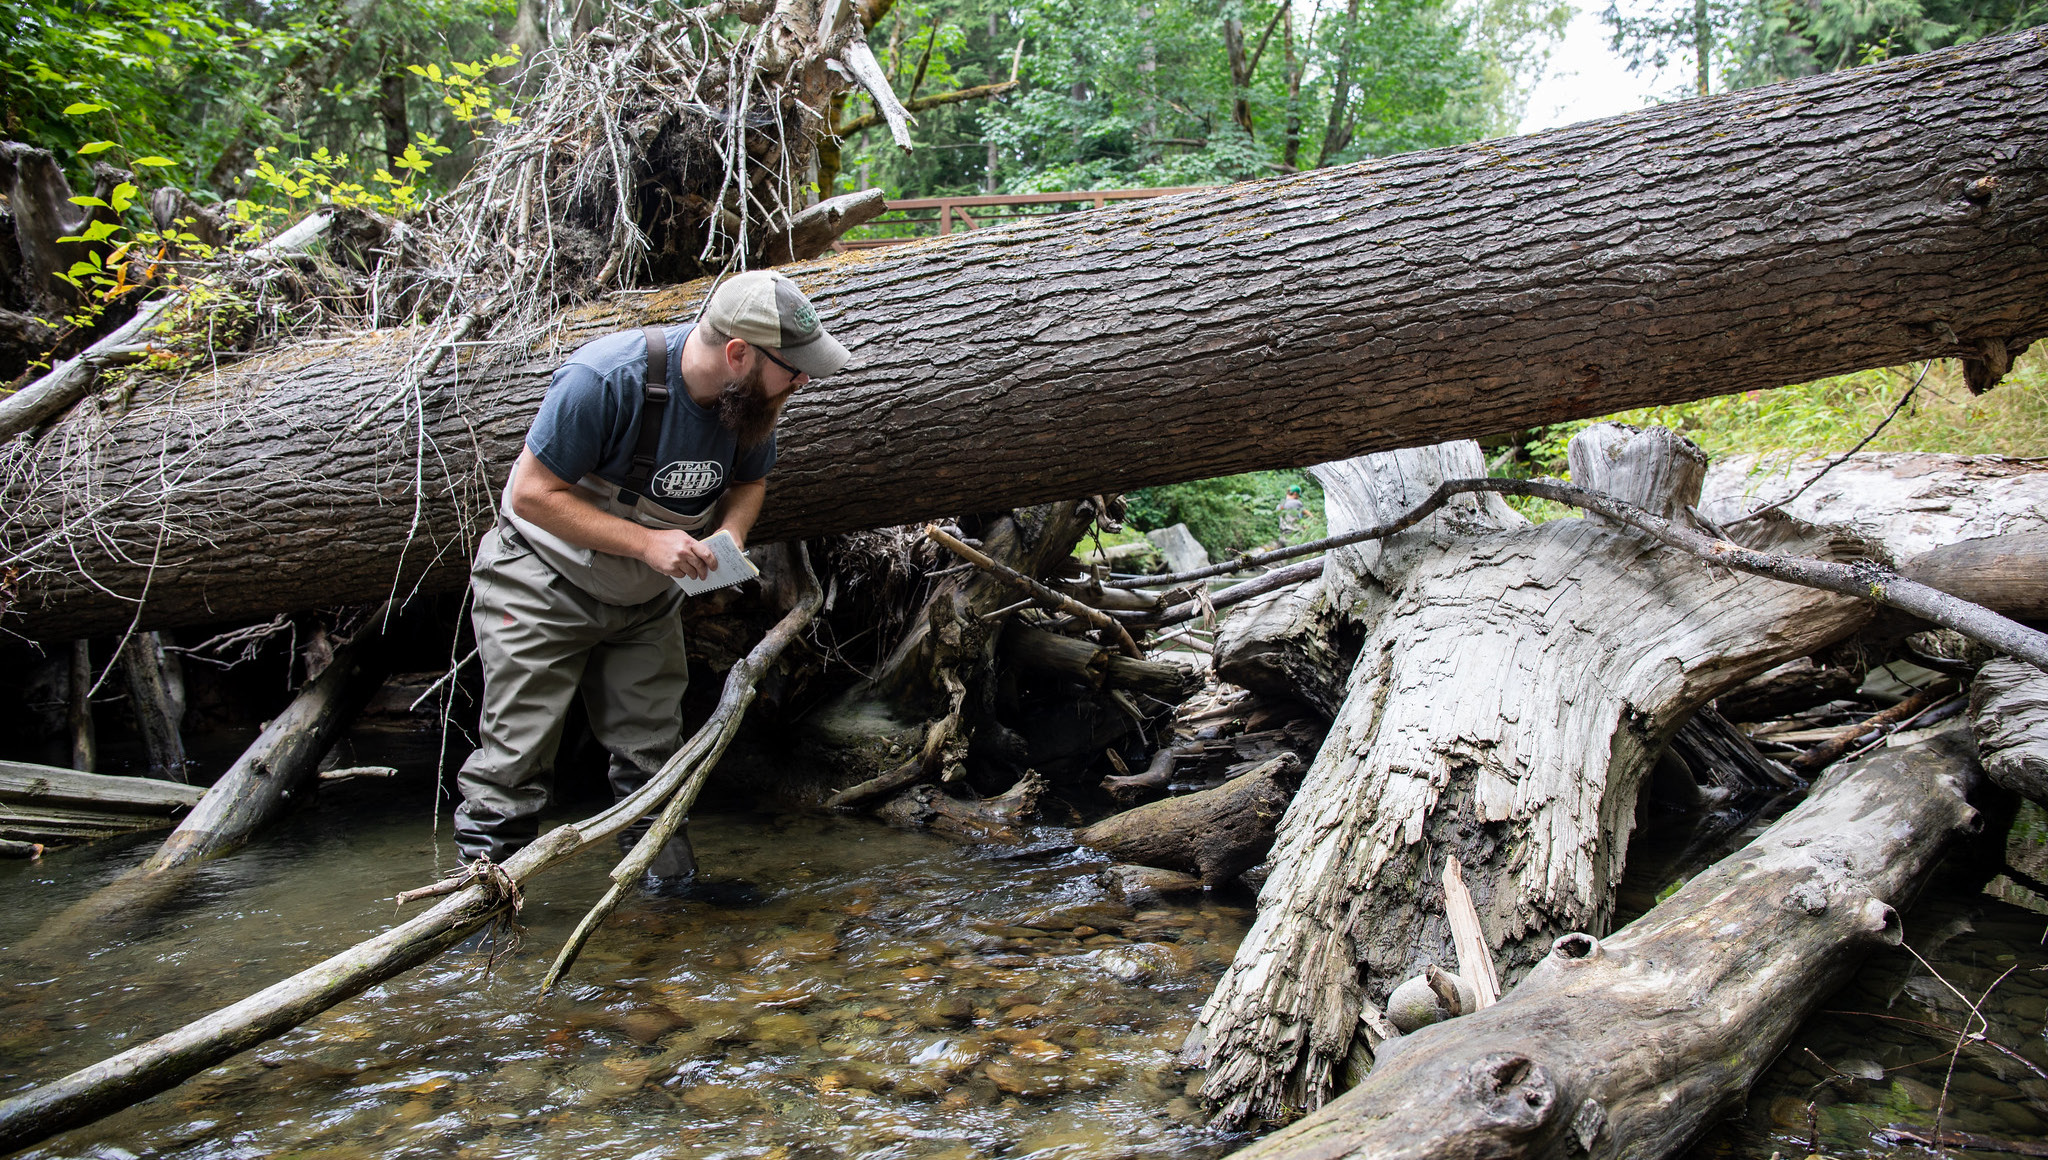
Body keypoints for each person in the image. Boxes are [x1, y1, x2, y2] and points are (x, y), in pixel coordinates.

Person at [453, 270, 848, 882]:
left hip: (643, 604)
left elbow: (749, 482)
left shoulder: (750, 402)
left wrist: (732, 535)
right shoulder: (604, 380)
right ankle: (474, 920)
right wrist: (646, 544)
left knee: (653, 760)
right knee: (516, 761)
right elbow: (529, 495)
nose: (802, 380)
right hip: (539, 583)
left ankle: (671, 909)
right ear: (738, 353)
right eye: (792, 367)